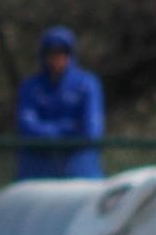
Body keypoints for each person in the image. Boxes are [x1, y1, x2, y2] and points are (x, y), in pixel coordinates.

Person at [14, 25, 104, 180]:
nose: (56, 58)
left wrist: (53, 132)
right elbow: (26, 126)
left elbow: (91, 130)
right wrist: (64, 129)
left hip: (80, 169)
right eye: (51, 53)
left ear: (70, 55)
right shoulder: (30, 86)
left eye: (62, 52)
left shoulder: (87, 84)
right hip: (37, 170)